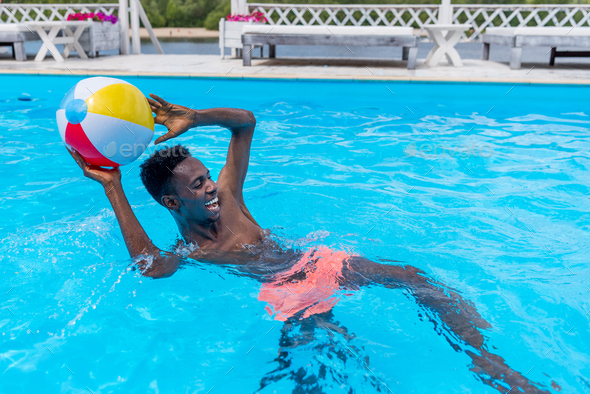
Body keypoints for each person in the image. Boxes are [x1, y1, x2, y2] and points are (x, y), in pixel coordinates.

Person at [67, 94, 552, 393]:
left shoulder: (231, 198)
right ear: (172, 204)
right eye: (195, 186)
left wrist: (196, 118)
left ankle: (488, 361)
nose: (210, 187)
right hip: (288, 295)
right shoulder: (195, 252)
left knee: (416, 280)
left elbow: (246, 122)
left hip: (320, 261)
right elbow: (150, 266)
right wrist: (113, 187)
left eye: (206, 177)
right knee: (317, 361)